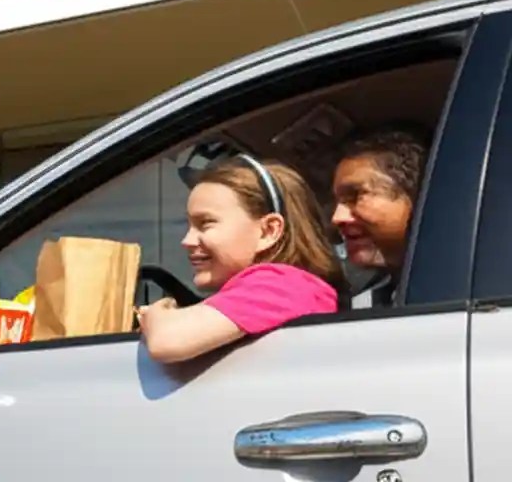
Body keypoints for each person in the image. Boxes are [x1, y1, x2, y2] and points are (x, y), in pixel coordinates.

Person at [139, 155, 346, 363]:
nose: (187, 240)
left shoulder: (281, 286)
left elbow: (168, 341)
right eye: (190, 226)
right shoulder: (282, 289)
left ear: (268, 231)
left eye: (206, 223)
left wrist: (158, 312)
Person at [330, 123, 432, 308]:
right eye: (337, 202)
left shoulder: (464, 291)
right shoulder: (366, 302)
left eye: (355, 196)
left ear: (417, 196)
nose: (337, 218)